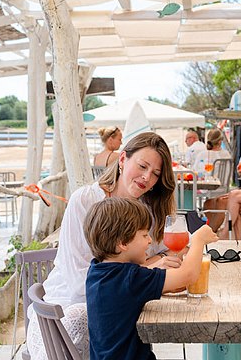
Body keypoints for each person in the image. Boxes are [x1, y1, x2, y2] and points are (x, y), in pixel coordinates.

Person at [25, 131, 179, 360]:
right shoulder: (85, 201)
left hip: (116, 310)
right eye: (143, 166)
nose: (147, 177)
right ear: (123, 159)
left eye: (155, 173)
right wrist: (146, 270)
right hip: (67, 311)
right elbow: (80, 284)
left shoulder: (149, 211)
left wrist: (157, 262)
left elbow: (162, 251)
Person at [84, 197, 218, 360]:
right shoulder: (131, 278)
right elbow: (188, 275)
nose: (150, 241)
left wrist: (158, 275)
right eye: (144, 235)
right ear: (123, 243)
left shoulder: (97, 270)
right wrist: (198, 240)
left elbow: (128, 287)